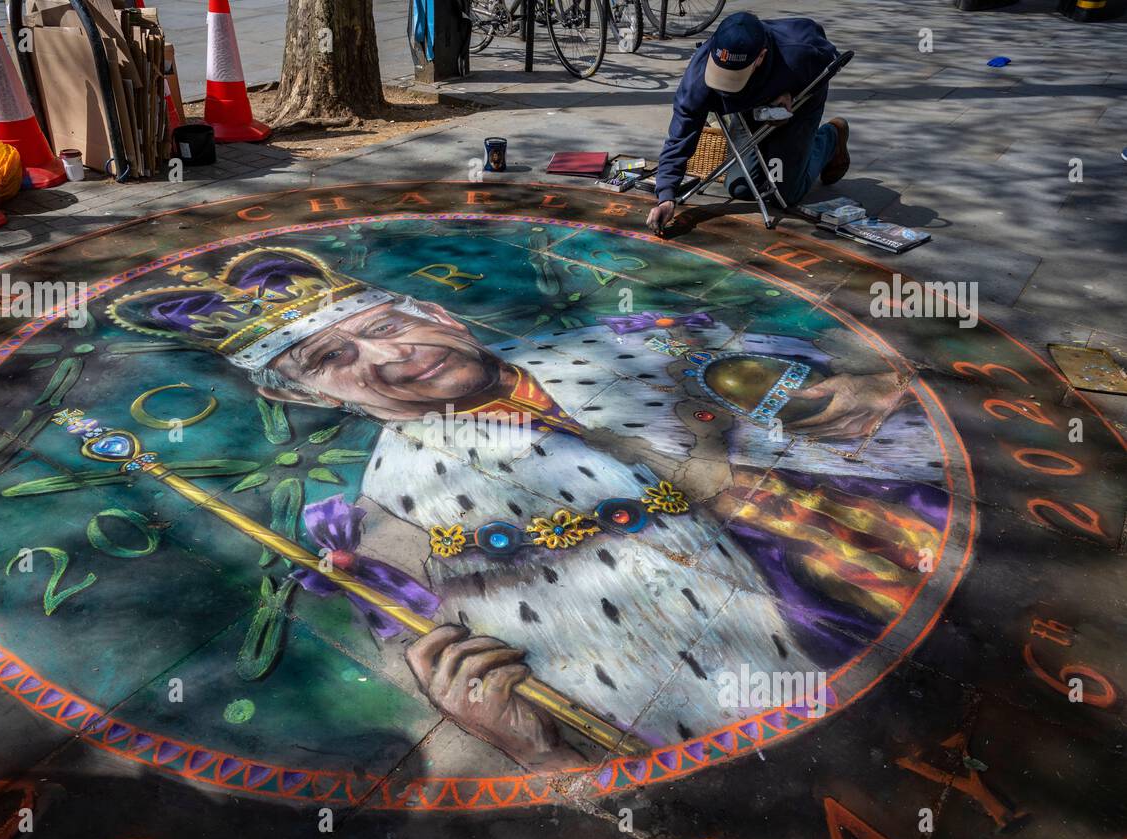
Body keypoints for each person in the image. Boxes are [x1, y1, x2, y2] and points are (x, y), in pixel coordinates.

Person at [109, 248, 945, 772]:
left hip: (893, 541)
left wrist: (839, 401)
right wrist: (528, 745)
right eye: (339, 359)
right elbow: (472, 671)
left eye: (390, 324)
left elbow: (849, 393)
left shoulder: (627, 340)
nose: (395, 356)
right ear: (306, 395)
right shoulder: (393, 507)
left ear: (437, 311)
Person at [647, 11, 851, 236]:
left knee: (785, 193)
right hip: (748, 112)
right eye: (720, 73)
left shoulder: (798, 52)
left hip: (795, 108)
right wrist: (666, 197)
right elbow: (680, 137)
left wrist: (792, 93)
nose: (724, 85)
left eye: (733, 75)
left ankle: (831, 137)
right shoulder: (698, 75)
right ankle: (776, 157)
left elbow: (829, 61)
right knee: (740, 188)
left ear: (761, 57)